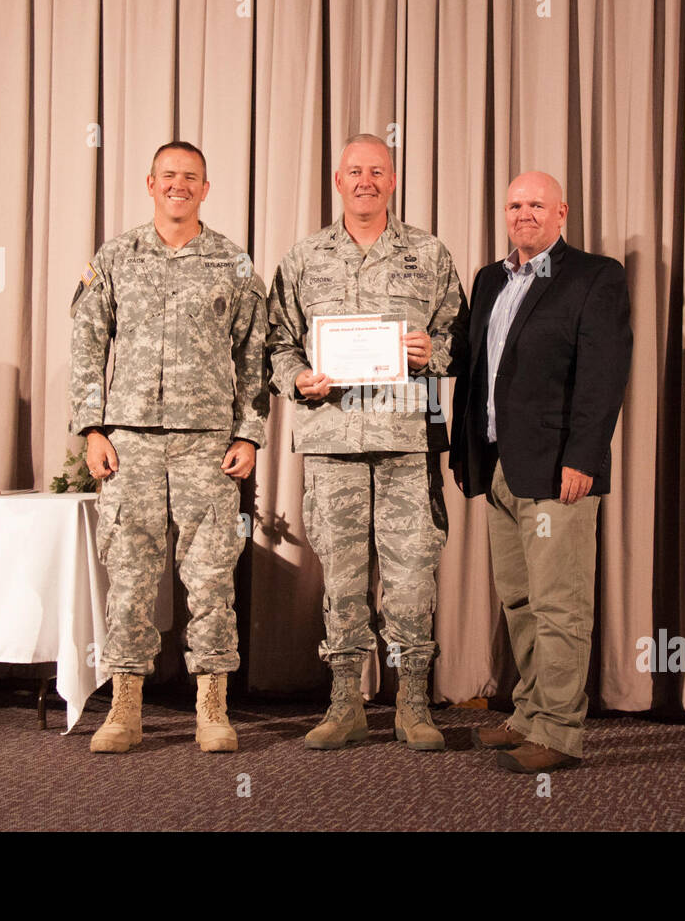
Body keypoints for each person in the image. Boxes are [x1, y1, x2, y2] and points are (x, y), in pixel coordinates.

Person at [267, 133, 467, 751]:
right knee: (343, 580)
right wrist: (295, 377)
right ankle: (345, 701)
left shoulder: (428, 255)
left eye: (376, 171)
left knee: (412, 580)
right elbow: (277, 343)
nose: (365, 182)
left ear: (393, 179)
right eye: (354, 171)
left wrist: (434, 351)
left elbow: (464, 336)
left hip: (408, 440)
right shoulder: (303, 259)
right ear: (337, 180)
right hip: (332, 442)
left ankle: (412, 703)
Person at [69, 140, 268, 754]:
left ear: (206, 189)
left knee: (211, 580)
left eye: (192, 178)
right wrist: (92, 429)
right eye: (169, 176)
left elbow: (255, 354)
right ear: (150, 183)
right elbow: (86, 344)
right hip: (128, 444)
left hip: (206, 444)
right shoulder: (115, 257)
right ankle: (124, 709)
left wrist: (249, 433)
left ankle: (212, 707)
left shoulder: (232, 263)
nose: (180, 185)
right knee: (128, 579)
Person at [449, 171, 632, 773]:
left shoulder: (594, 276)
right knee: (521, 600)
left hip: (558, 471)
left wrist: (584, 457)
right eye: (514, 204)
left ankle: (558, 731)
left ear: (562, 213)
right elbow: (474, 367)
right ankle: (528, 712)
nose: (524, 213)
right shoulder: (489, 279)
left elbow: (603, 376)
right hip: (499, 465)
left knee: (561, 605)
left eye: (536, 204)